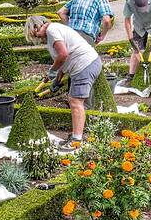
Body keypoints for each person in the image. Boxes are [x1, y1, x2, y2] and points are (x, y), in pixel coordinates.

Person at [24, 14, 101, 145]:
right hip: (87, 64)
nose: (37, 37)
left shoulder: (51, 30)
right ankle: (76, 136)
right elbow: (63, 60)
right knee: (75, 100)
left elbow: (63, 54)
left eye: (35, 34)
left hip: (84, 64)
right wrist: (56, 80)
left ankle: (76, 139)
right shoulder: (53, 30)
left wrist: (52, 71)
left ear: (37, 26)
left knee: (75, 101)